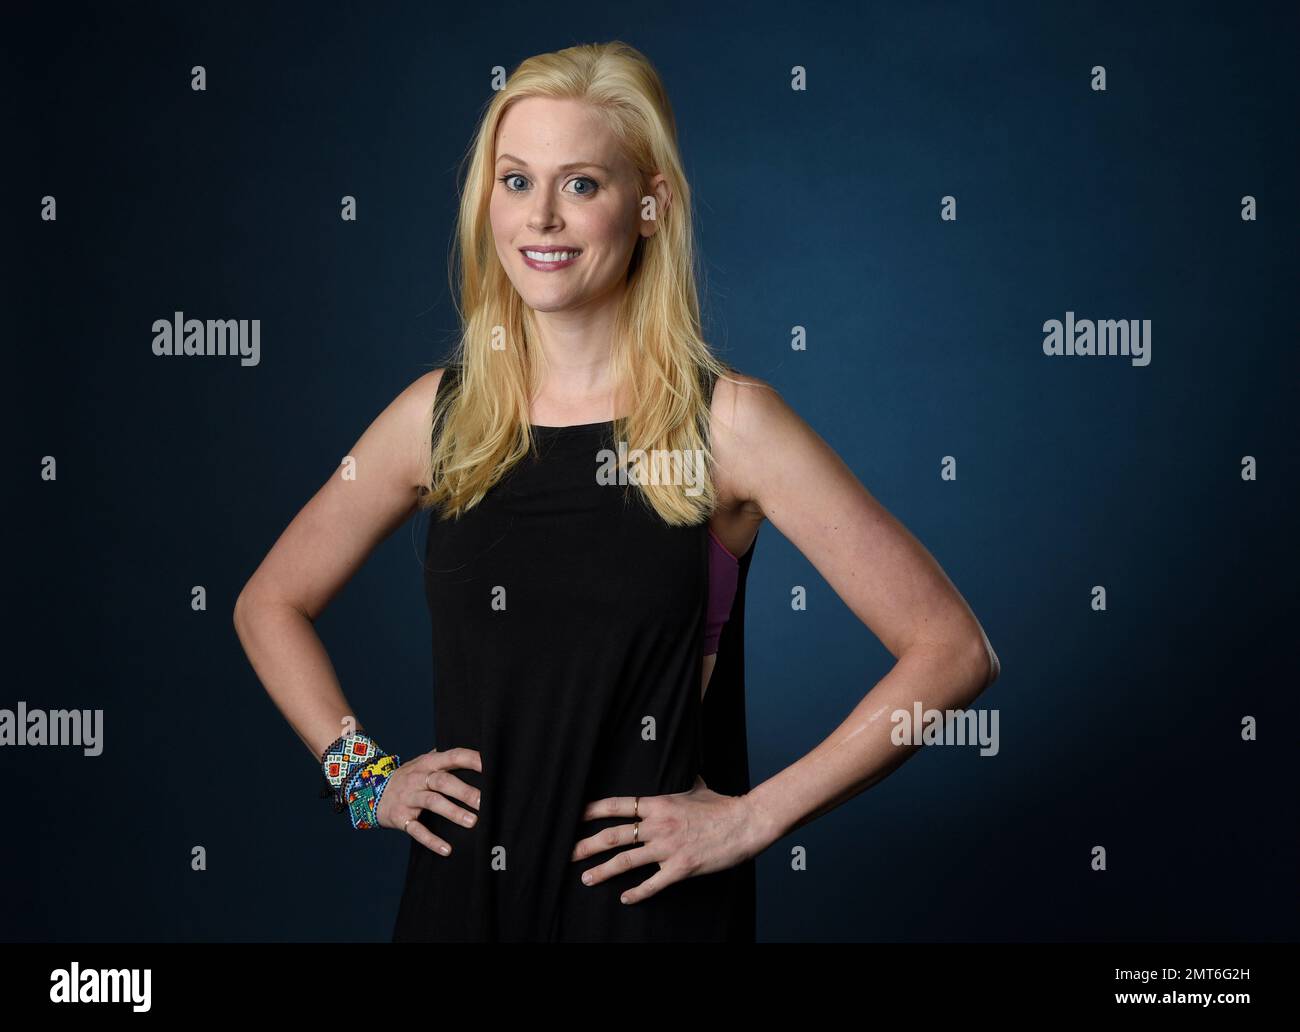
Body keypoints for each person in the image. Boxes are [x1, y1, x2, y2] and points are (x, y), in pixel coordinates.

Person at [232, 40, 999, 943]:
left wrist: (753, 817)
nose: (542, 219)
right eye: (515, 181)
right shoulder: (435, 418)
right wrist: (364, 777)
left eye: (582, 184)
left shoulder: (730, 426)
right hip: (461, 913)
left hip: (651, 919)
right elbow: (269, 602)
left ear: (649, 203)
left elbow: (951, 651)